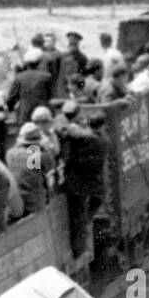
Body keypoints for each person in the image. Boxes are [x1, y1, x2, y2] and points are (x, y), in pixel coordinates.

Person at [61, 112, 110, 264]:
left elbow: (69, 131)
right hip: (88, 183)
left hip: (76, 183)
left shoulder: (87, 138)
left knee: (79, 216)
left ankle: (79, 246)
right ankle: (79, 248)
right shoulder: (101, 140)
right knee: (82, 214)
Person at [7, 123, 52, 216]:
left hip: (16, 201)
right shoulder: (41, 156)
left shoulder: (10, 153)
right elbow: (50, 168)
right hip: (35, 204)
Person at [6, 49, 52, 127]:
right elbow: (51, 95)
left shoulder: (19, 77)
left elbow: (11, 99)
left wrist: (10, 108)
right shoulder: (47, 76)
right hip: (42, 116)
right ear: (38, 63)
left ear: (26, 64)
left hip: (25, 116)